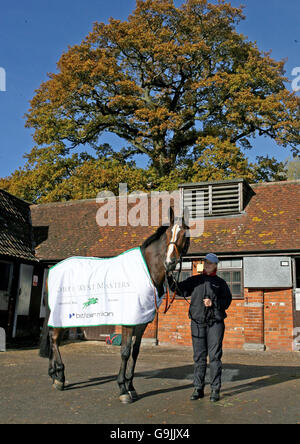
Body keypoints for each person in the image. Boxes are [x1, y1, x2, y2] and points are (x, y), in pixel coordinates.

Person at [168, 253, 232, 402]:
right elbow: (179, 289)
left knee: (215, 357)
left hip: (215, 323)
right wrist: (169, 276)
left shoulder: (220, 283)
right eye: (206, 262)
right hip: (197, 322)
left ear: (216, 265)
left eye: (211, 263)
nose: (208, 265)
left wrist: (213, 303)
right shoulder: (195, 280)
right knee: (199, 357)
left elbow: (227, 301)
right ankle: (198, 388)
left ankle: (215, 389)